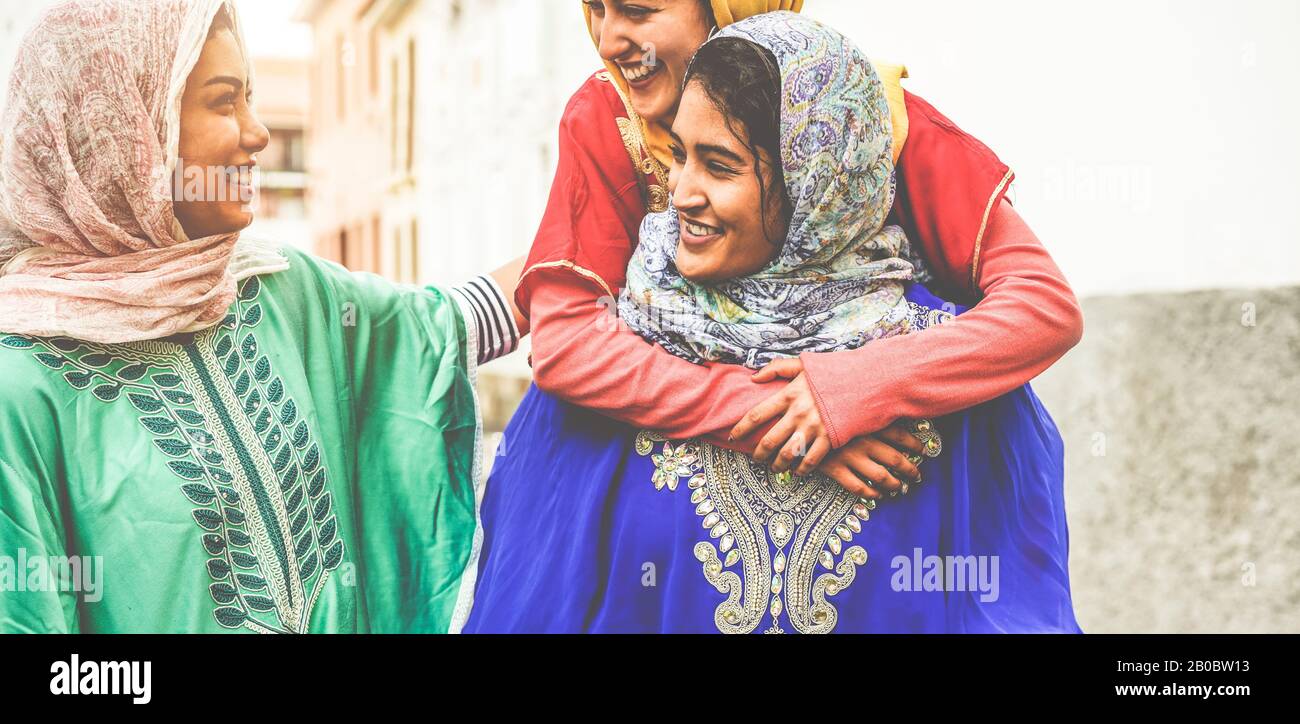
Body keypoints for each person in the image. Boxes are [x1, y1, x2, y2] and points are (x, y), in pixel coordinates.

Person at [463, 11, 1080, 634]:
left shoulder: (856, 113)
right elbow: (568, 348)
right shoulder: (608, 122)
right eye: (594, 8)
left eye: (640, 9)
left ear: (825, 178)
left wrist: (851, 387)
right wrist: (774, 413)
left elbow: (1041, 305)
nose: (607, 40)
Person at [0, 0, 521, 633]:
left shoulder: (281, 293)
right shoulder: (21, 384)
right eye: (224, 102)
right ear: (123, 133)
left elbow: (443, 330)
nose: (258, 132)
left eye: (249, 97)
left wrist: (633, 199)